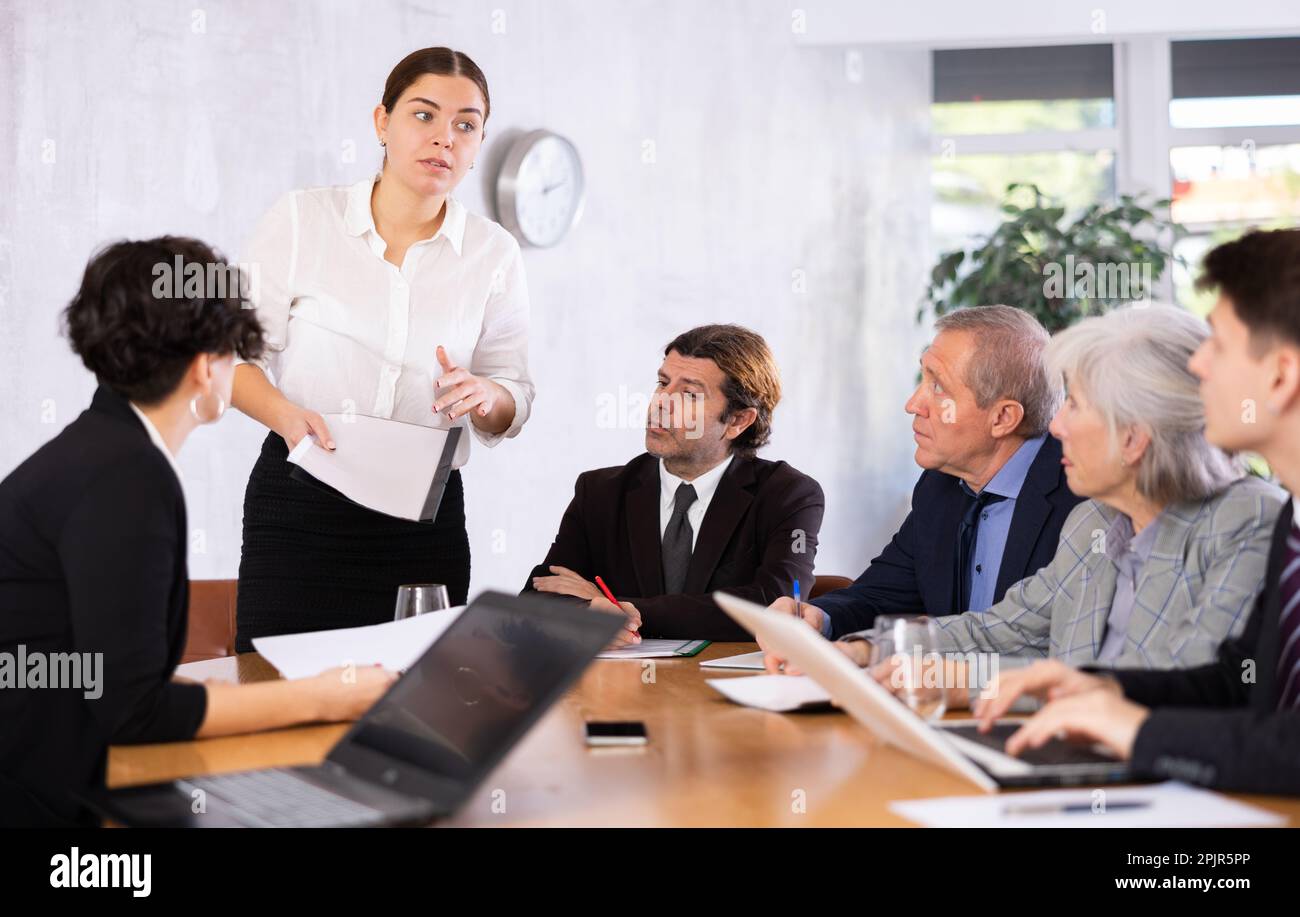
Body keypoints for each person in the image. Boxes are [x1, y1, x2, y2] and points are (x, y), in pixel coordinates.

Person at [0, 238, 395, 827]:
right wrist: (325, 696)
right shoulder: (125, 478)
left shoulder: (101, 451)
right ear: (202, 366)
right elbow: (134, 710)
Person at [768, 305, 1284, 707]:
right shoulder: (1096, 522)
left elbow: (1184, 687)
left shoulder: (1251, 521)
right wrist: (865, 651)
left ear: (1132, 439)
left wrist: (971, 682)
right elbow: (996, 628)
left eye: (1075, 406)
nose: (1055, 427)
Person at [973, 229, 1300, 795]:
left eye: (1217, 345)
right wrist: (1106, 690)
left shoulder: (1257, 516)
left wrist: (1135, 727)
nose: (1196, 366)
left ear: (1279, 377)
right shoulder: (1292, 521)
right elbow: (1235, 682)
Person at [231, 47, 534, 650]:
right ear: (382, 123)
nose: (444, 138)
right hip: (301, 503)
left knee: (416, 706)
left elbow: (514, 399)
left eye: (465, 125)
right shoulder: (302, 219)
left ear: (477, 144)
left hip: (424, 519)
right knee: (277, 698)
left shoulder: (493, 253)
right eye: (424, 115)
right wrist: (290, 421)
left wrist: (485, 394)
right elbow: (232, 359)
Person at [768, 305, 1082, 639]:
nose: (913, 404)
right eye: (923, 378)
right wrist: (818, 617)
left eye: (938, 387)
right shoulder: (940, 486)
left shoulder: (1083, 496)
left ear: (1003, 418)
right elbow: (880, 595)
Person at [524, 324, 823, 643]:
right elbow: (539, 596)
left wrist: (621, 608)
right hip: (623, 686)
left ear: (737, 420)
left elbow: (775, 607)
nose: (660, 403)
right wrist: (588, 612)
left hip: (726, 687)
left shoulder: (790, 495)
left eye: (689, 394)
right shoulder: (600, 491)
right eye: (662, 383)